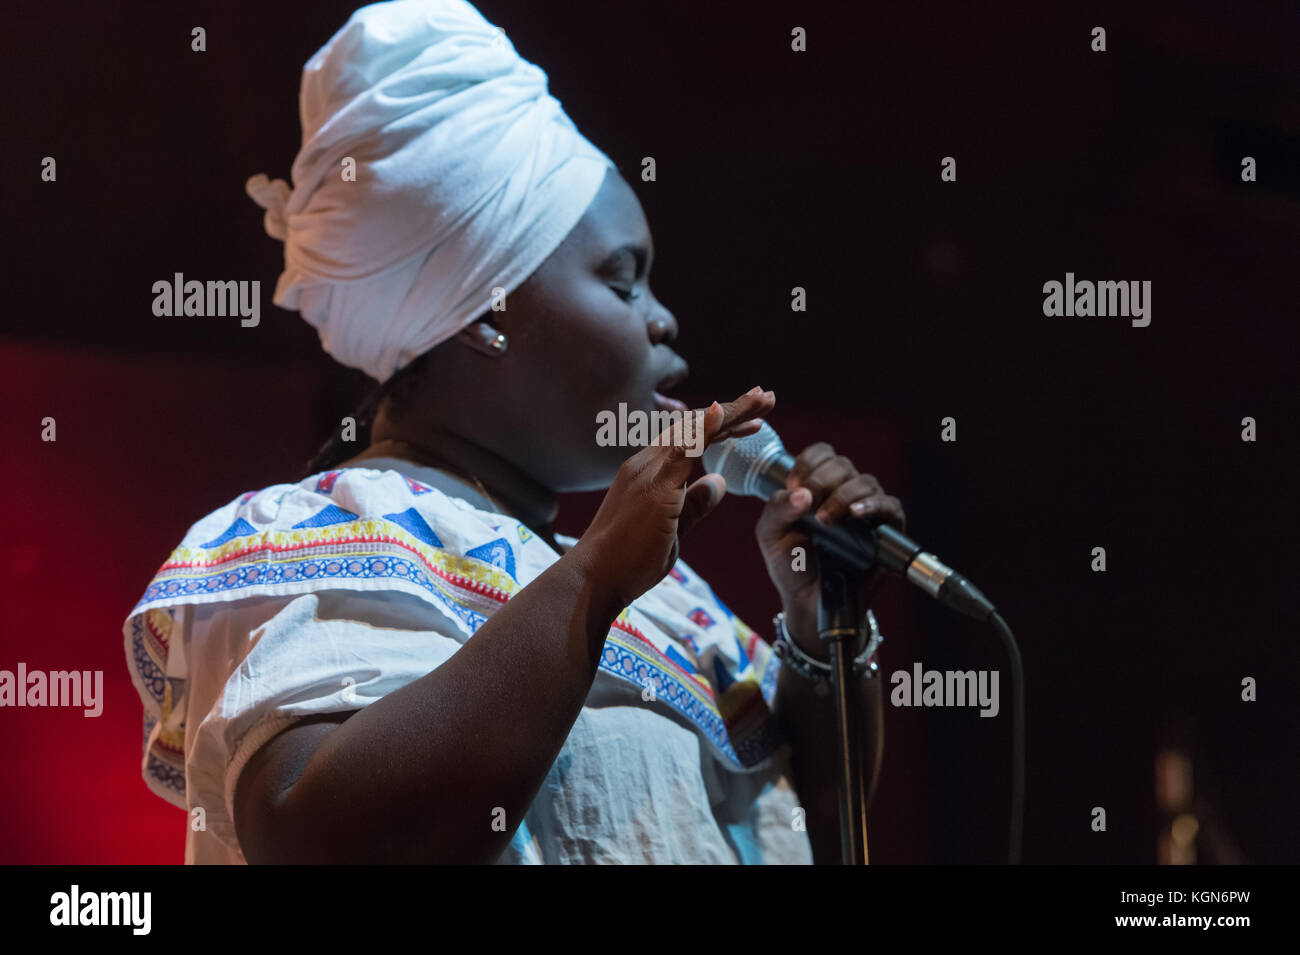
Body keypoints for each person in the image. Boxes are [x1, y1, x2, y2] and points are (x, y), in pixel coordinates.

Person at [123, 0, 904, 864]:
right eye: (623, 280)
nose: (664, 319)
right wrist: (595, 577)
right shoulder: (328, 534)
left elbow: (823, 828)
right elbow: (320, 837)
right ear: (485, 316)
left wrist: (811, 623)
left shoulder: (673, 603)